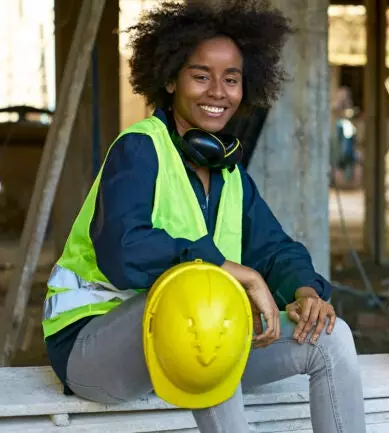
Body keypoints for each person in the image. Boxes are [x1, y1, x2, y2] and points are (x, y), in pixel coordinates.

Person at [41, 2, 366, 432]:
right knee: (204, 297)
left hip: (185, 342)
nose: (218, 91)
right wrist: (230, 271)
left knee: (331, 337)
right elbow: (123, 249)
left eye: (231, 79)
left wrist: (305, 292)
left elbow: (274, 248)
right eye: (201, 76)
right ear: (171, 79)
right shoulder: (139, 149)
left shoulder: (230, 175)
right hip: (93, 347)